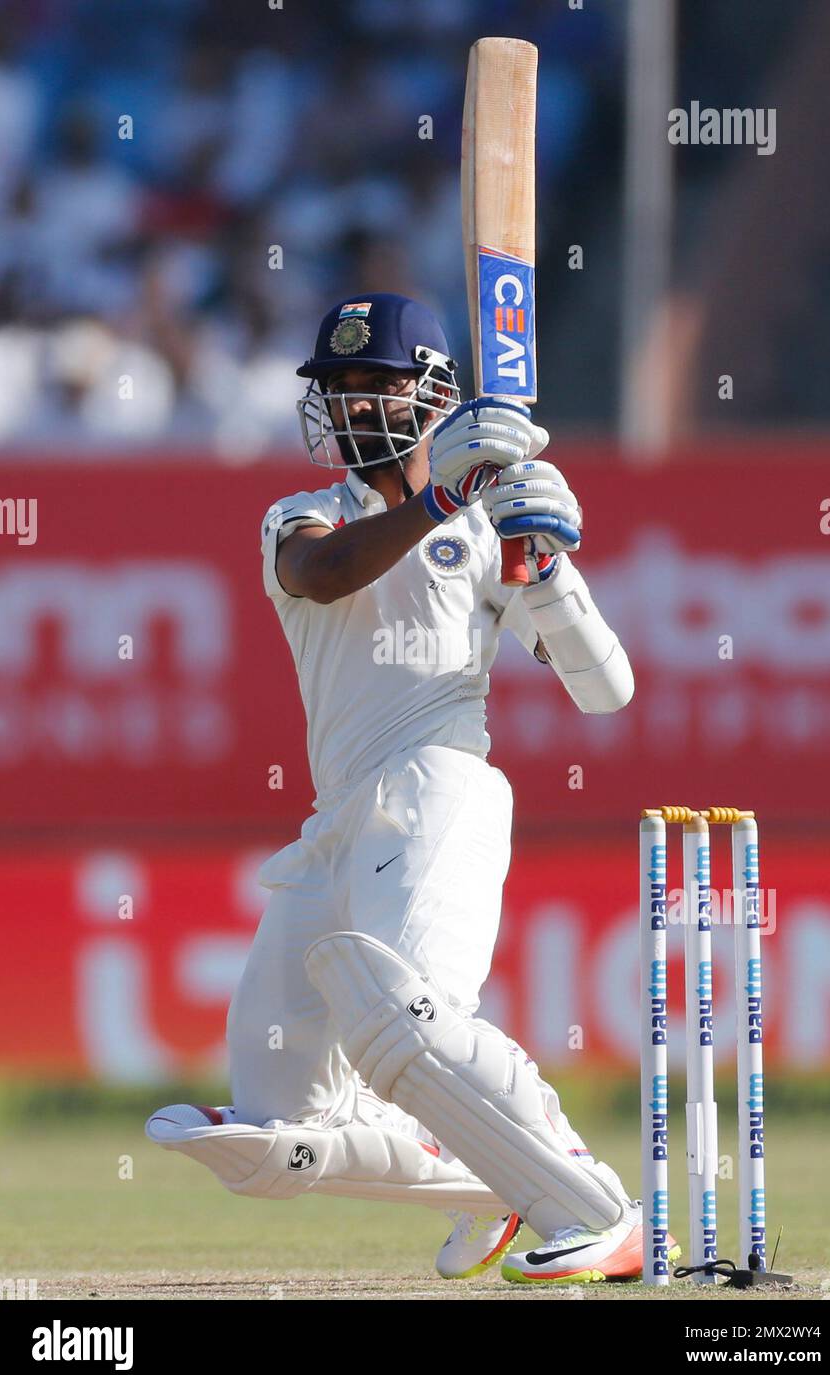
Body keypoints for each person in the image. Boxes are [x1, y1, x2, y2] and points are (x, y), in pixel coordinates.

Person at [147, 293, 675, 1285]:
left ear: (433, 394)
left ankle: (600, 1212)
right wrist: (443, 500)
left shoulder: (485, 528)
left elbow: (607, 690)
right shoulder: (301, 518)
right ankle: (494, 1181)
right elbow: (324, 574)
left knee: (405, 1020)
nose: (350, 402)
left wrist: (546, 563)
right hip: (334, 823)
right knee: (273, 1127)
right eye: (336, 385)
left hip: (441, 789)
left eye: (375, 382)